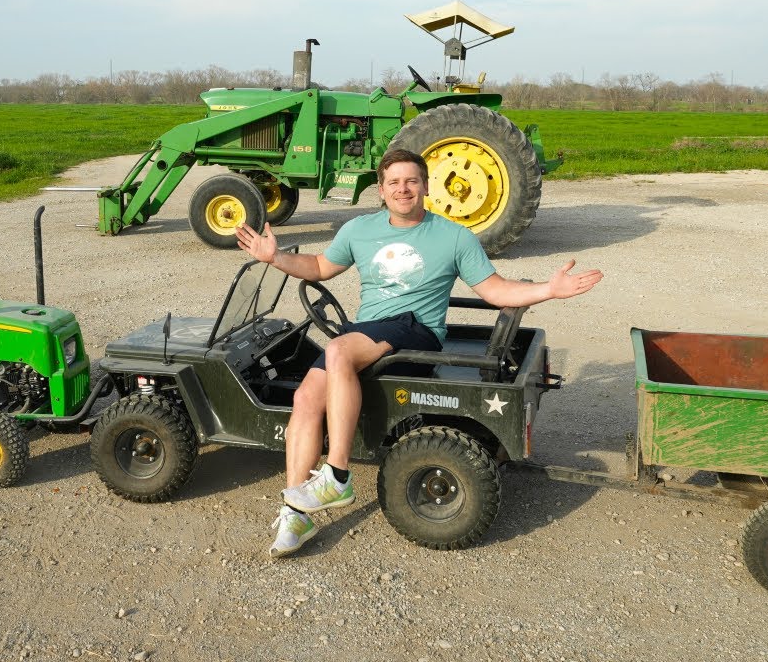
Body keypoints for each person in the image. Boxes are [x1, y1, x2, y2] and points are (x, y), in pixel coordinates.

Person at [234, 148, 603, 557]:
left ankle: (337, 475)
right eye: (394, 182)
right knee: (305, 397)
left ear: (426, 187)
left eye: (411, 181)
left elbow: (495, 290)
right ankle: (296, 514)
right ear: (381, 189)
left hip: (416, 329)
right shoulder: (359, 230)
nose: (402, 189)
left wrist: (550, 289)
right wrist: (276, 257)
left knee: (338, 351)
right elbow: (321, 267)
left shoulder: (453, 236)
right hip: (368, 331)